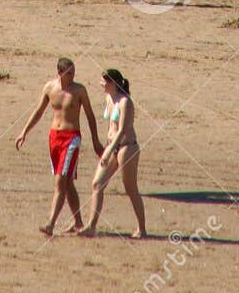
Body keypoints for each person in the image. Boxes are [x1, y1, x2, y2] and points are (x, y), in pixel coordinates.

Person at [14, 57, 102, 237]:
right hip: (54, 137)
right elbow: (39, 111)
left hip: (72, 138)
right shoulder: (49, 88)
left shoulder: (79, 90)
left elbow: (90, 116)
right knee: (68, 182)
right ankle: (78, 222)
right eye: (69, 73)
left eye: (73, 72)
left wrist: (95, 141)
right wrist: (24, 131)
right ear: (60, 73)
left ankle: (50, 223)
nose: (72, 76)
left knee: (60, 180)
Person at [78, 69, 146, 239]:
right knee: (97, 184)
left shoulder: (125, 102)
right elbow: (110, 126)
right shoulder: (109, 98)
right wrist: (106, 146)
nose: (101, 84)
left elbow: (122, 130)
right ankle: (91, 226)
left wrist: (108, 152)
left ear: (113, 83)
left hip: (126, 147)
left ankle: (142, 229)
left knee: (131, 189)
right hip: (111, 146)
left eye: (104, 82)